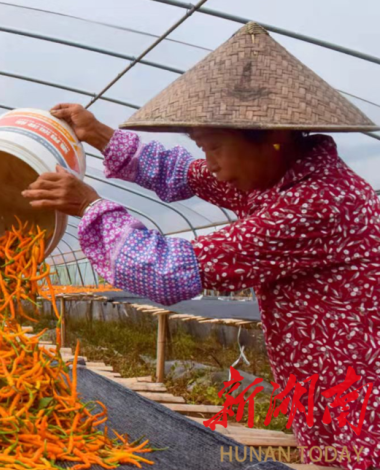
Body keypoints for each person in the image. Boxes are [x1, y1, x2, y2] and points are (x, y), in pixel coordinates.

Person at [23, 23, 380, 469]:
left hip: (360, 396)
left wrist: (90, 206)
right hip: (321, 389)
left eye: (214, 148)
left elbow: (166, 270)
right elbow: (180, 172)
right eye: (202, 147)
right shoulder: (273, 178)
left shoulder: (315, 204)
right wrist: (96, 133)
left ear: (275, 137)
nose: (210, 164)